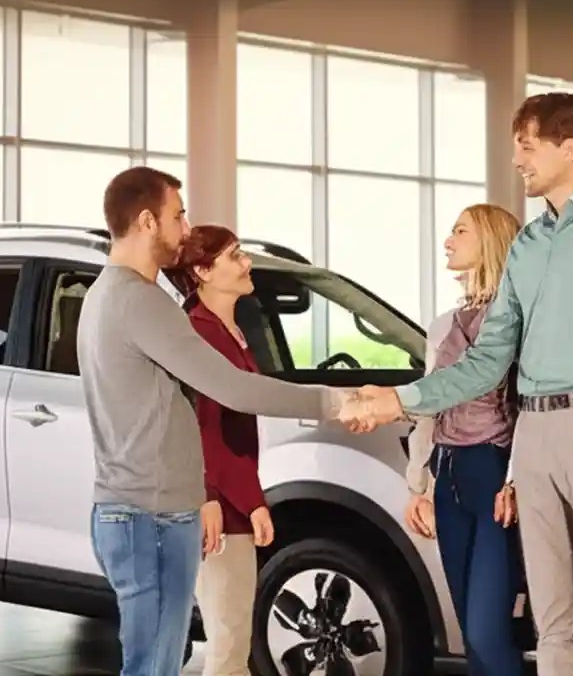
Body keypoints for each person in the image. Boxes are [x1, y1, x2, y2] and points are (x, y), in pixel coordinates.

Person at [349, 93, 573, 676]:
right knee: (550, 614)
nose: (518, 159)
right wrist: (400, 399)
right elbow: (489, 359)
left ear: (570, 148)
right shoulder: (526, 244)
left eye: (528, 144)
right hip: (534, 432)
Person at [77, 166, 347, 676]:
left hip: (135, 511)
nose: (185, 228)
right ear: (146, 221)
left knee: (155, 663)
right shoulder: (141, 300)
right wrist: (336, 403)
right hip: (150, 517)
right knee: (154, 667)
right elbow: (231, 390)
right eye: (177, 216)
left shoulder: (103, 294)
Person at [403, 203, 523, 675]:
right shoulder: (441, 325)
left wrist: (516, 479)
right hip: (449, 475)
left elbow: (528, 409)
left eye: (459, 231)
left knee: (486, 631)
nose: (448, 240)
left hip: (494, 475)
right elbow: (427, 409)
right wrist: (418, 483)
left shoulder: (513, 318)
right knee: (470, 639)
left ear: (490, 241)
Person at [165, 225, 272, 676]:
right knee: (228, 645)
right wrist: (239, 500)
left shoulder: (231, 328)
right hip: (219, 506)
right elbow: (202, 427)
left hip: (232, 497)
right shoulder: (200, 334)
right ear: (203, 270)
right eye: (235, 256)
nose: (246, 263)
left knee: (233, 642)